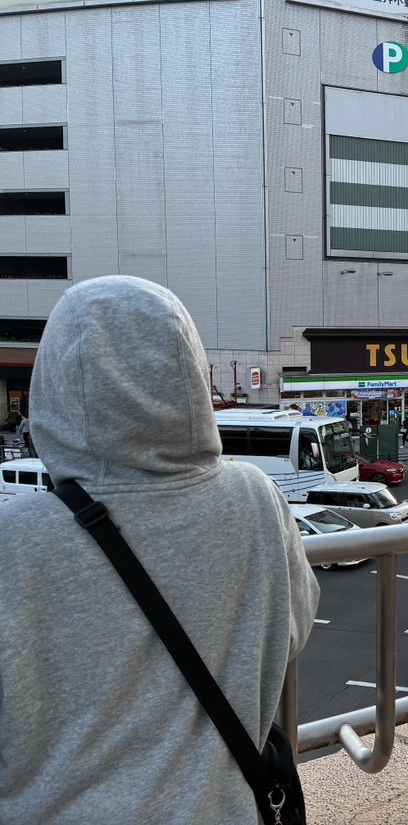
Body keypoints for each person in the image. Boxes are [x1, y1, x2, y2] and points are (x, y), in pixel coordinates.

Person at [0, 276, 319, 821]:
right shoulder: (255, 501)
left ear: (53, 384)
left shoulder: (15, 536)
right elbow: (295, 626)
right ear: (190, 373)